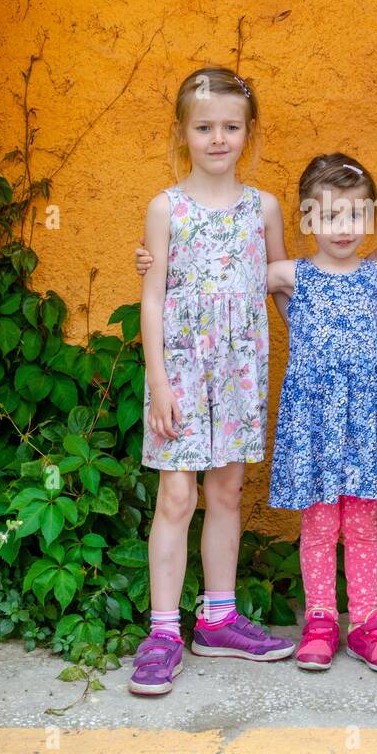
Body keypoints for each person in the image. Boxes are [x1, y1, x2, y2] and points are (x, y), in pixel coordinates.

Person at [129, 66, 294, 696]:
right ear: (184, 133)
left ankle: (219, 620)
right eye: (205, 127)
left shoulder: (264, 207)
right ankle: (164, 630)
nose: (218, 138)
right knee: (177, 496)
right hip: (180, 371)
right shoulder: (165, 208)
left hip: (240, 371)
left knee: (227, 493)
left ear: (248, 133)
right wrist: (160, 382)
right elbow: (150, 300)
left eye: (230, 127)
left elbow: (279, 285)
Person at [266, 154, 377, 673]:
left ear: (371, 218)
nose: (343, 228)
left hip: (364, 422)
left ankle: (365, 623)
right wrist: (153, 261)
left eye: (356, 216)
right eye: (329, 216)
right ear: (307, 220)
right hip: (313, 421)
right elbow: (219, 276)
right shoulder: (288, 274)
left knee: (361, 525)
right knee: (318, 526)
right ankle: (320, 621)